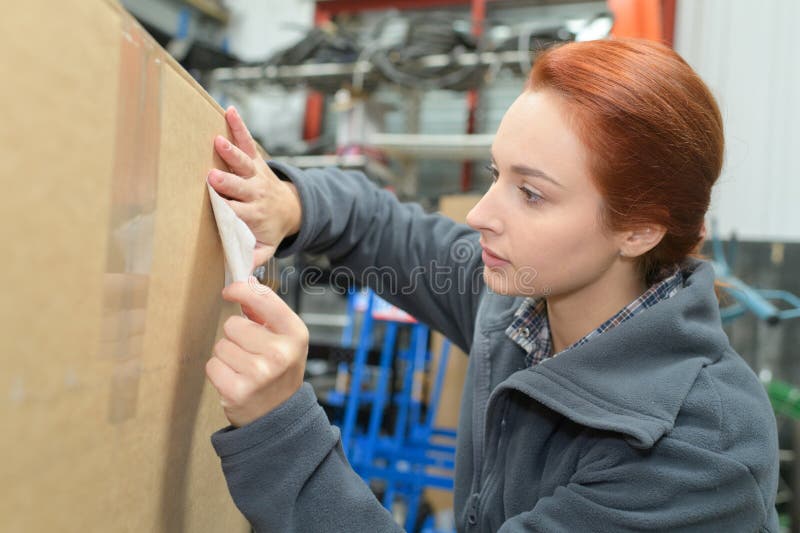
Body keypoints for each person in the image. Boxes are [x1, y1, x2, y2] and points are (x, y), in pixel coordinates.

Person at [203, 38, 779, 532]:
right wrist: (292, 203)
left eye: (531, 193)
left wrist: (280, 428)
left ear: (639, 230)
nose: (480, 214)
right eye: (496, 173)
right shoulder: (520, 305)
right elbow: (384, 229)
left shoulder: (697, 452)